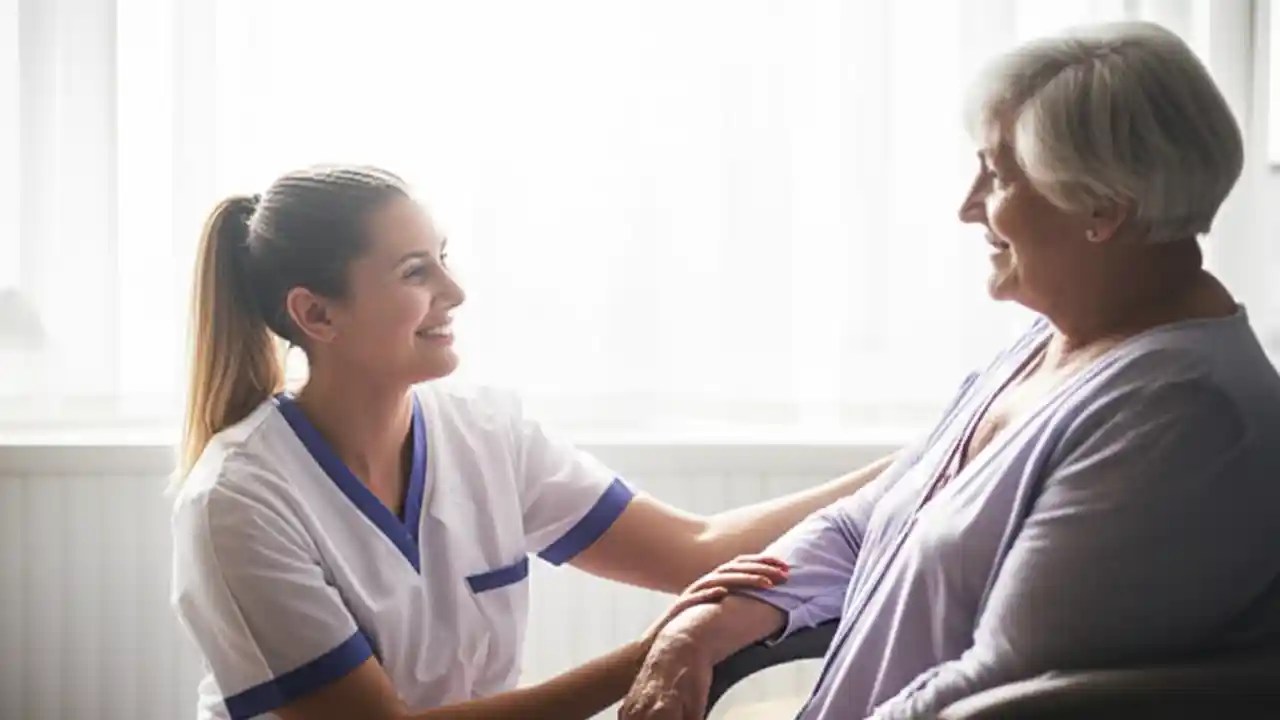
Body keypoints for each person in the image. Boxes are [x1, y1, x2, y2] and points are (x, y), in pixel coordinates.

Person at [622, 21, 1280, 720]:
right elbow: (865, 526)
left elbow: (1000, 688)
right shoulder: (1050, 339)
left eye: (997, 176)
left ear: (1103, 209)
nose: (969, 206)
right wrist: (702, 628)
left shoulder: (1184, 417)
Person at [170, 165, 885, 720]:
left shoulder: (486, 433)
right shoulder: (238, 502)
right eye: (416, 271)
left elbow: (696, 551)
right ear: (316, 314)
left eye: (443, 257)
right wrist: (650, 655)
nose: (455, 290)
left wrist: (928, 461)